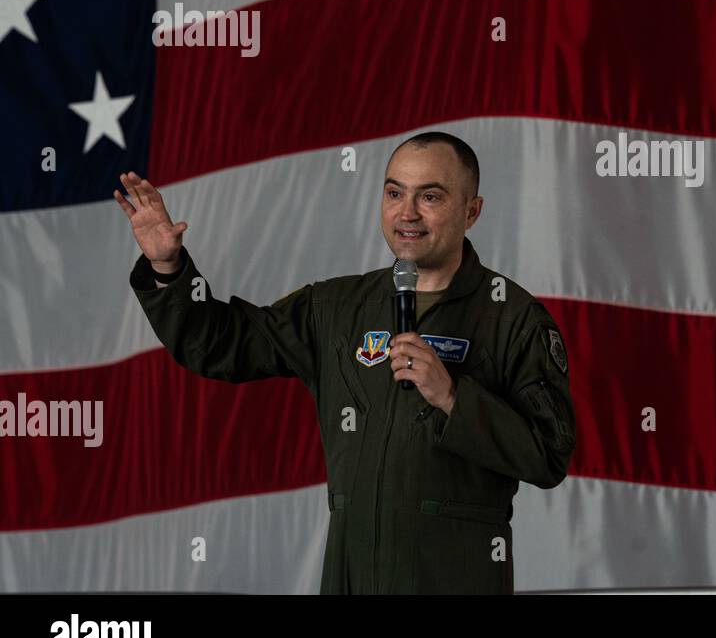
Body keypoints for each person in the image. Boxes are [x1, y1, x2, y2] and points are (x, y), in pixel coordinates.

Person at [115, 131, 576, 594]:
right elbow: (221, 344)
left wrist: (453, 399)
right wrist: (168, 268)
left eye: (430, 196)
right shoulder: (336, 307)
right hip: (351, 576)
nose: (407, 213)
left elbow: (548, 455)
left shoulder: (513, 318)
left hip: (454, 577)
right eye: (394, 193)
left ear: (471, 212)